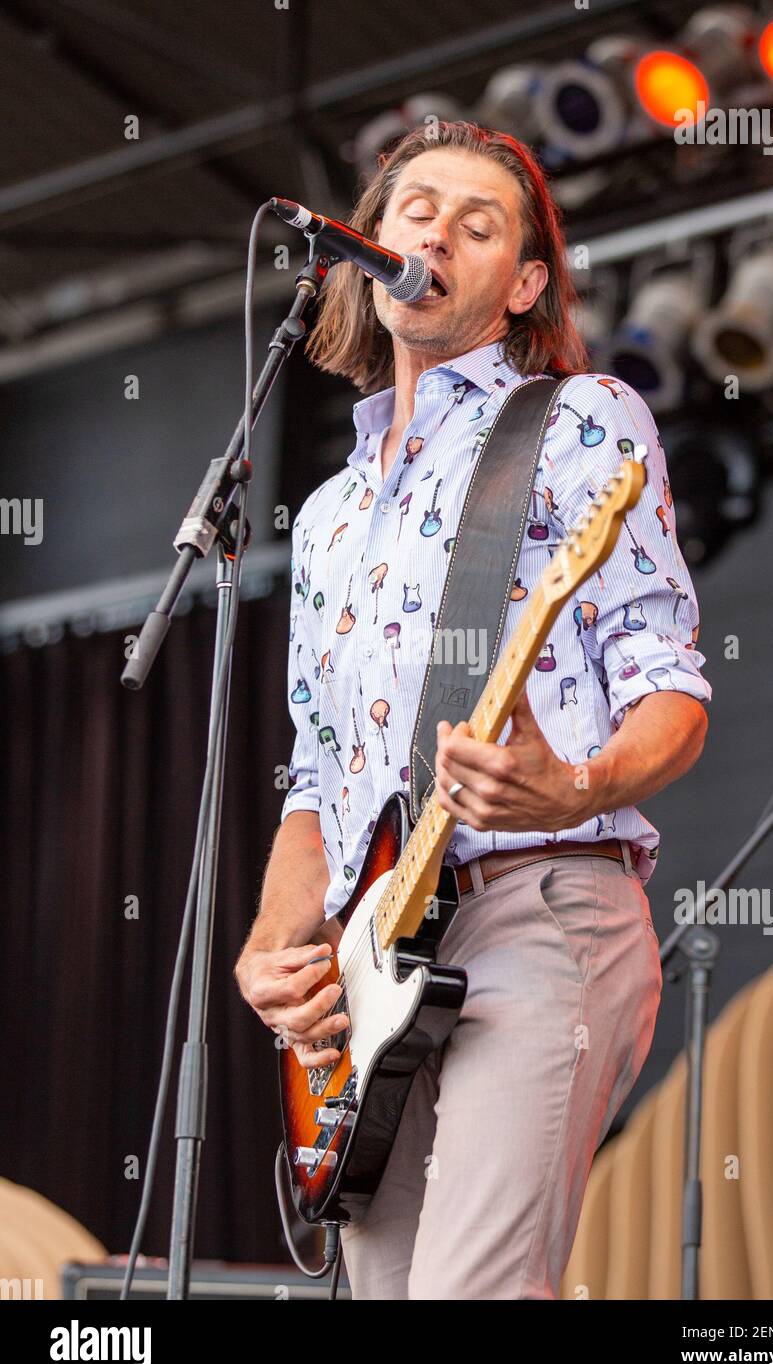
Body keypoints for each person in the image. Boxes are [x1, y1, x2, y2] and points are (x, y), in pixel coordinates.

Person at [235, 121, 711, 1300]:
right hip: (375, 958)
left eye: (477, 223)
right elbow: (318, 775)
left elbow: (667, 683)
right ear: (368, 246)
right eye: (415, 209)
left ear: (524, 283)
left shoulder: (579, 419)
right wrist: (276, 945)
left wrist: (576, 784)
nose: (435, 232)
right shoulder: (330, 515)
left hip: (538, 908)